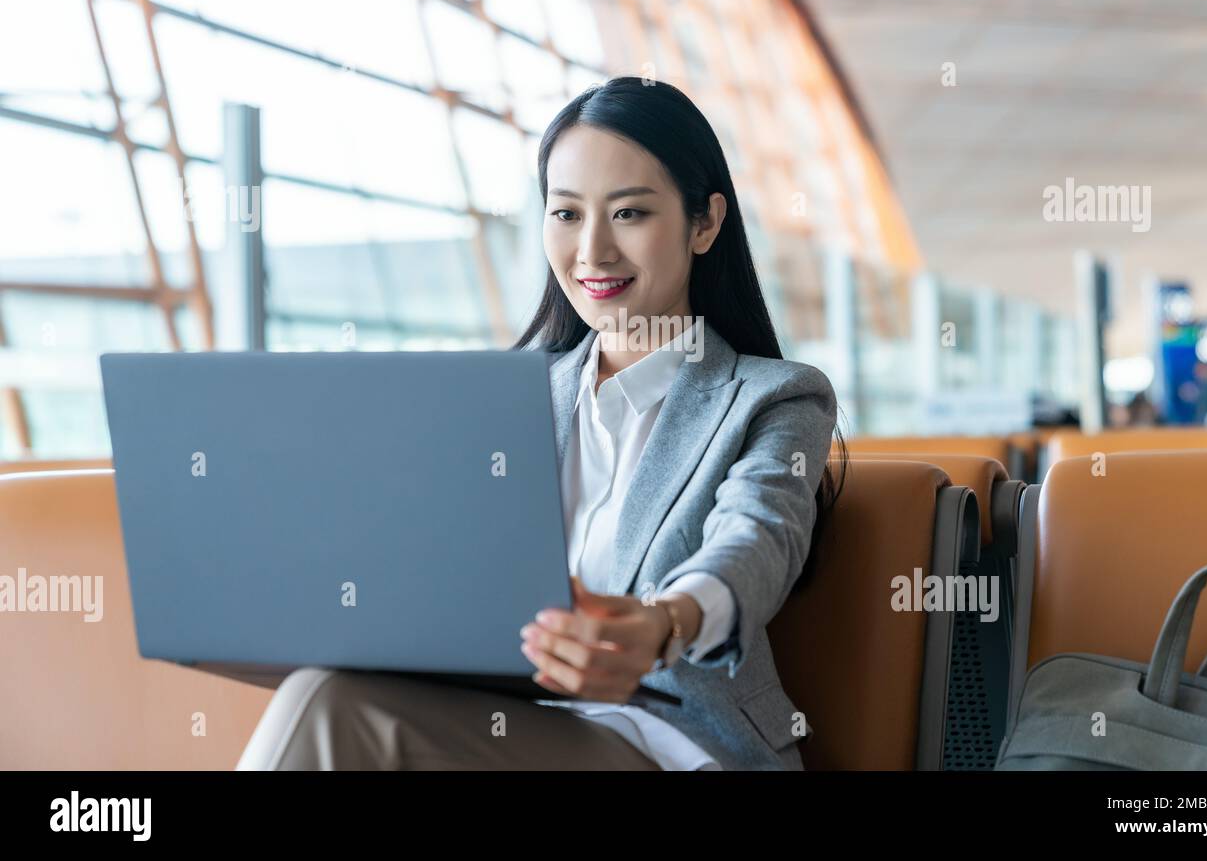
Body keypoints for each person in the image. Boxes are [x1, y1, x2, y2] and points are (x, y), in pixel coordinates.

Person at [236, 76, 843, 771]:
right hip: (500, 730)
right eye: (566, 214)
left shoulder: (774, 398)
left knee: (327, 709)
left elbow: (759, 537)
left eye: (630, 214)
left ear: (704, 222)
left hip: (673, 746)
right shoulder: (506, 397)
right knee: (326, 688)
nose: (593, 251)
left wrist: (664, 622)